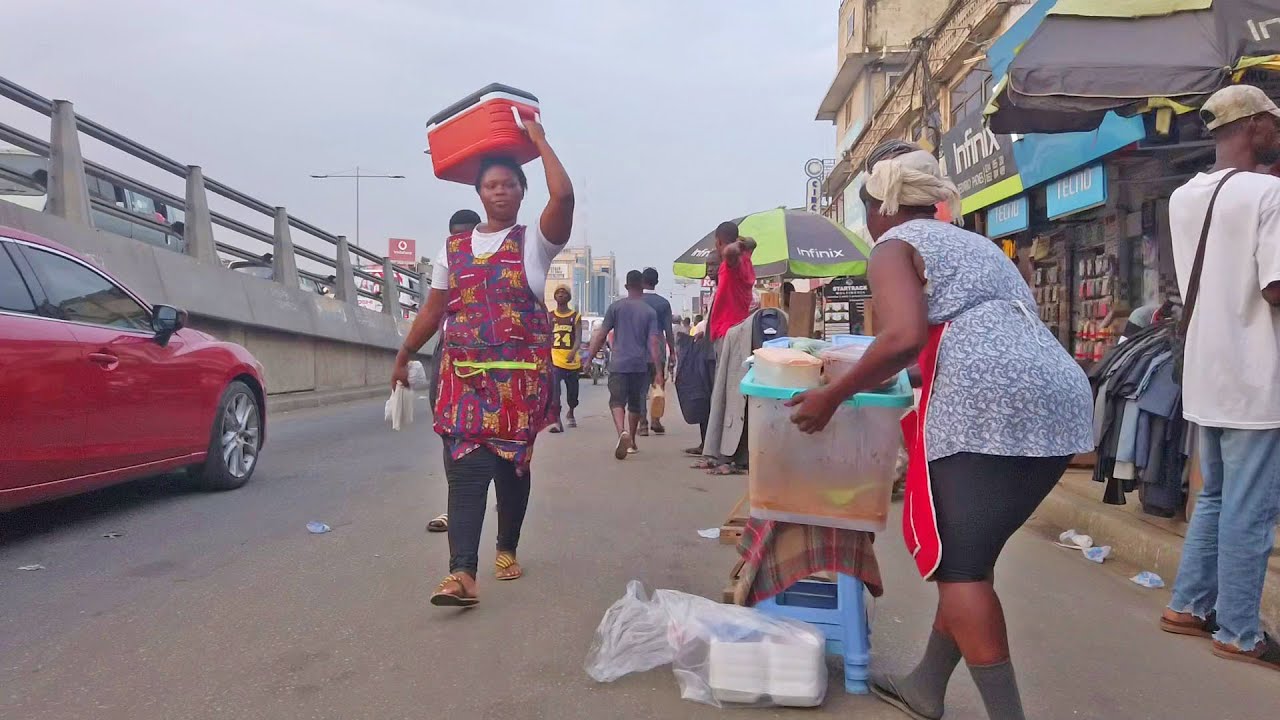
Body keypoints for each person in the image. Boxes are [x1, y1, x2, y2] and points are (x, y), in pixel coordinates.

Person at [788, 149, 1092, 719]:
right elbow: (945, 342)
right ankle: (927, 685)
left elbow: (902, 336)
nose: (870, 224)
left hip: (987, 409)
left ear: (884, 207)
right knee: (969, 557)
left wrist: (833, 394)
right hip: (1059, 400)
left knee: (960, 570)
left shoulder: (893, 246)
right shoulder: (976, 244)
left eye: (868, 212)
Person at [392, 117, 574, 608]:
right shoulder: (452, 249)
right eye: (492, 185)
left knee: (512, 469)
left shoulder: (534, 244)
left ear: (520, 192)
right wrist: (406, 352)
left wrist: (538, 139)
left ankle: (507, 546)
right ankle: (462, 575)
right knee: (466, 472)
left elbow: (563, 199)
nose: (500, 192)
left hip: (518, 388)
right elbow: (434, 309)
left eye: (509, 185)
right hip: (464, 380)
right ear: (479, 192)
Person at [1159, 84, 1280, 671]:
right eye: (1272, 122)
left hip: (1207, 373)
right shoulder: (1269, 193)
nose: (1277, 131)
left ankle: (1188, 604)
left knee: (1215, 497)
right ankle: (1237, 629)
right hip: (1256, 374)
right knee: (1249, 509)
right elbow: (1275, 286)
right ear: (1253, 126)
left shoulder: (1184, 196)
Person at [425, 209, 483, 535]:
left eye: (469, 235)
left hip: (491, 357)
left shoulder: (497, 259)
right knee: (449, 429)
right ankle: (455, 506)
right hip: (450, 352)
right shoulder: (446, 256)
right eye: (457, 235)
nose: (463, 242)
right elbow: (434, 308)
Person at [586, 270, 663, 461]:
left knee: (617, 401)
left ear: (627, 286)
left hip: (619, 363)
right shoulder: (649, 312)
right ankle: (633, 442)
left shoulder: (615, 307)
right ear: (643, 287)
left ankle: (622, 432)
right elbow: (654, 343)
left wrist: (589, 359)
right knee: (636, 404)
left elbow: (601, 335)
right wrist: (659, 371)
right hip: (640, 365)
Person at [637, 266, 676, 436]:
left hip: (637, 350)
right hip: (658, 349)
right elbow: (668, 329)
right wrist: (673, 351)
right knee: (658, 385)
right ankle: (656, 420)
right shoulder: (663, 303)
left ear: (641, 281)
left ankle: (642, 424)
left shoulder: (635, 301)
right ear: (657, 282)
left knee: (639, 388)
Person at [707, 222, 757, 349]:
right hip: (738, 329)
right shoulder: (746, 260)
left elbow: (729, 251)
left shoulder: (732, 263)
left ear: (718, 242)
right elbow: (752, 242)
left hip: (727, 332)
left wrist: (737, 244)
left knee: (729, 369)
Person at [548, 285, 581, 433]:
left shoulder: (575, 316)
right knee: (555, 392)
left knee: (572, 393)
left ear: (569, 297)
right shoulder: (550, 316)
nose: (561, 295)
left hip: (571, 360)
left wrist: (573, 351)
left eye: (564, 292)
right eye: (558, 292)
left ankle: (571, 410)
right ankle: (556, 420)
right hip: (555, 359)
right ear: (555, 297)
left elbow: (578, 338)